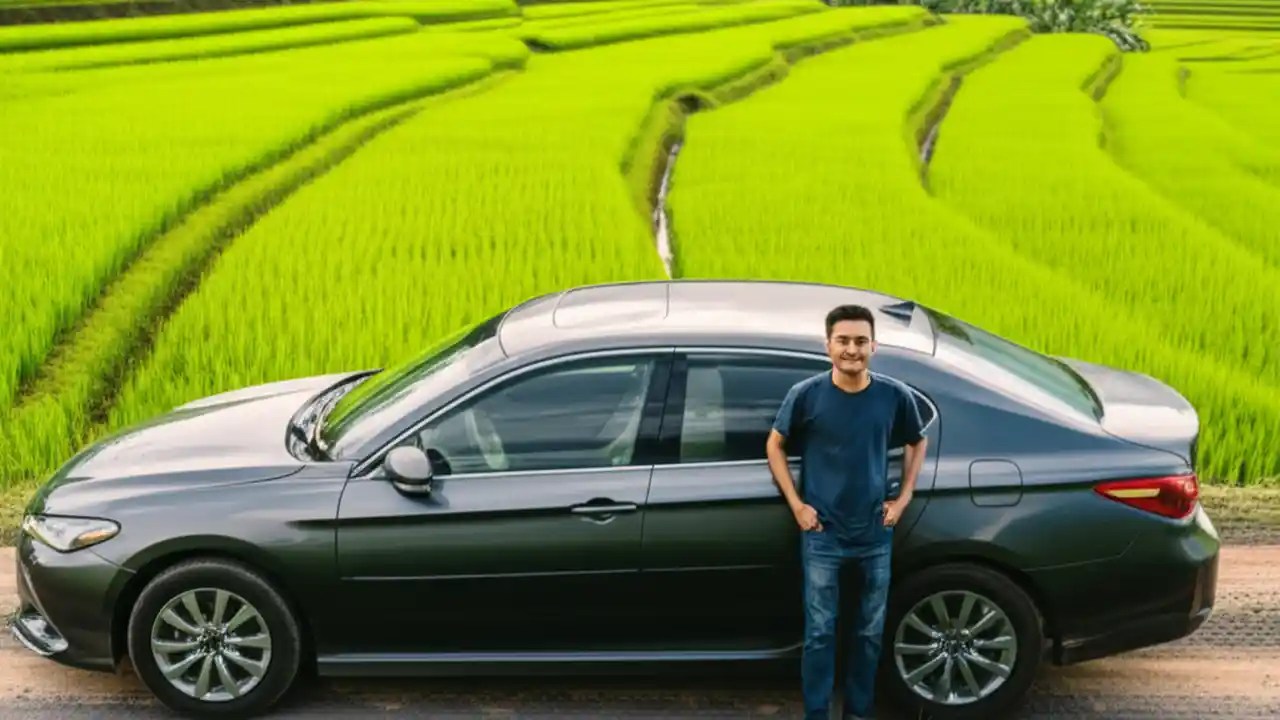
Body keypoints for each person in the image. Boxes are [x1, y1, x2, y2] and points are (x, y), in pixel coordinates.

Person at [765, 304, 929, 720]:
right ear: (828, 346)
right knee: (820, 633)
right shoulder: (806, 395)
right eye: (843, 341)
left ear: (874, 345)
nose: (852, 349)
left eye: (860, 341)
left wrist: (904, 497)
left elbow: (917, 441)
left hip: (876, 533)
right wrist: (797, 505)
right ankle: (817, 714)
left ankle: (858, 713)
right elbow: (774, 444)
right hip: (822, 534)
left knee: (869, 633)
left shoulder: (894, 396)